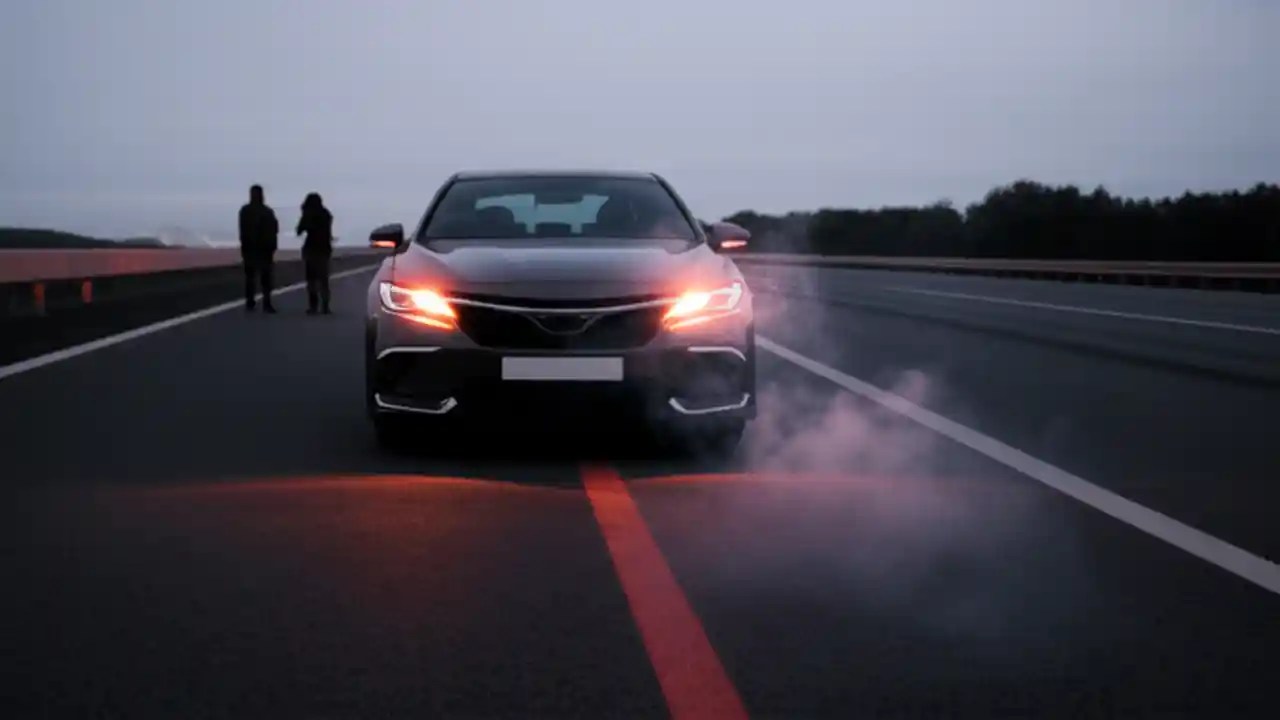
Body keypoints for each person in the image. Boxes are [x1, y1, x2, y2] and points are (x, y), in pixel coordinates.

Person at [238, 184, 279, 313]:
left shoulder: (245, 211)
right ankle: (266, 303)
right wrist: (272, 246)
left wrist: (244, 246)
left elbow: (243, 230)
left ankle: (250, 301)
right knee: (265, 278)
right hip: (264, 250)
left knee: (251, 277)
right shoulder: (267, 211)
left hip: (251, 249)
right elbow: (275, 229)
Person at [296, 192, 334, 314]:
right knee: (323, 279)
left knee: (311, 278)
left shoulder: (308, 214)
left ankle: (313, 306)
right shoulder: (326, 214)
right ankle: (325, 306)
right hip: (324, 248)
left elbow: (299, 230)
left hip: (311, 248)